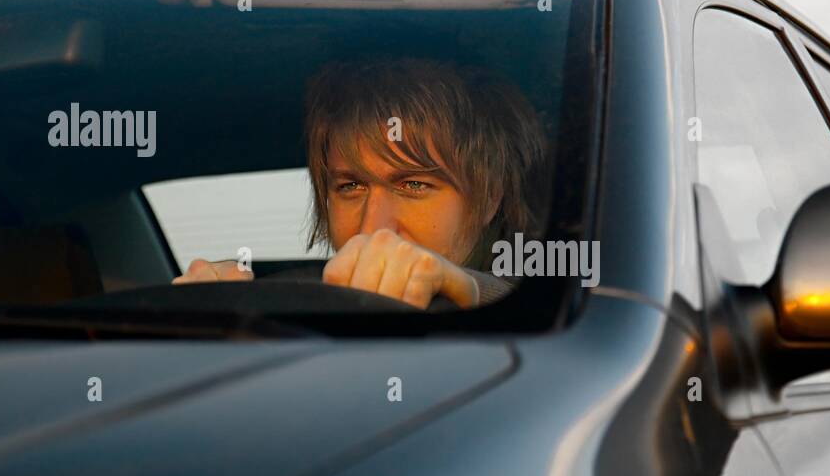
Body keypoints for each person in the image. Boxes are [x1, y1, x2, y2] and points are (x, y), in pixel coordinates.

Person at [173, 58, 549, 308]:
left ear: (488, 198)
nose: (373, 227)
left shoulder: (559, 301)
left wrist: (463, 289)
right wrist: (218, 318)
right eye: (351, 187)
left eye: (414, 185)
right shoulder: (305, 298)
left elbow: (540, 301)